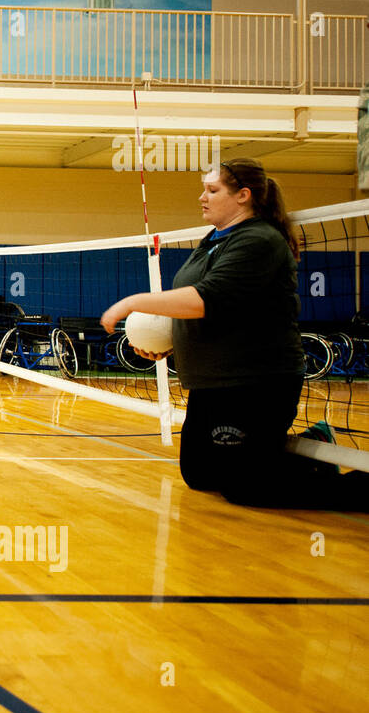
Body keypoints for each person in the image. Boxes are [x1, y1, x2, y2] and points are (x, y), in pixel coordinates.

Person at [100, 158, 366, 510]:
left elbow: (208, 298)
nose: (202, 197)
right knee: (200, 474)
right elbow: (207, 306)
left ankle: (360, 488)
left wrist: (132, 302)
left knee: (244, 488)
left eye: (212, 190)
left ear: (244, 196)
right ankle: (303, 446)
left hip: (255, 382)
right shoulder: (213, 239)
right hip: (212, 383)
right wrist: (169, 345)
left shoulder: (259, 240)